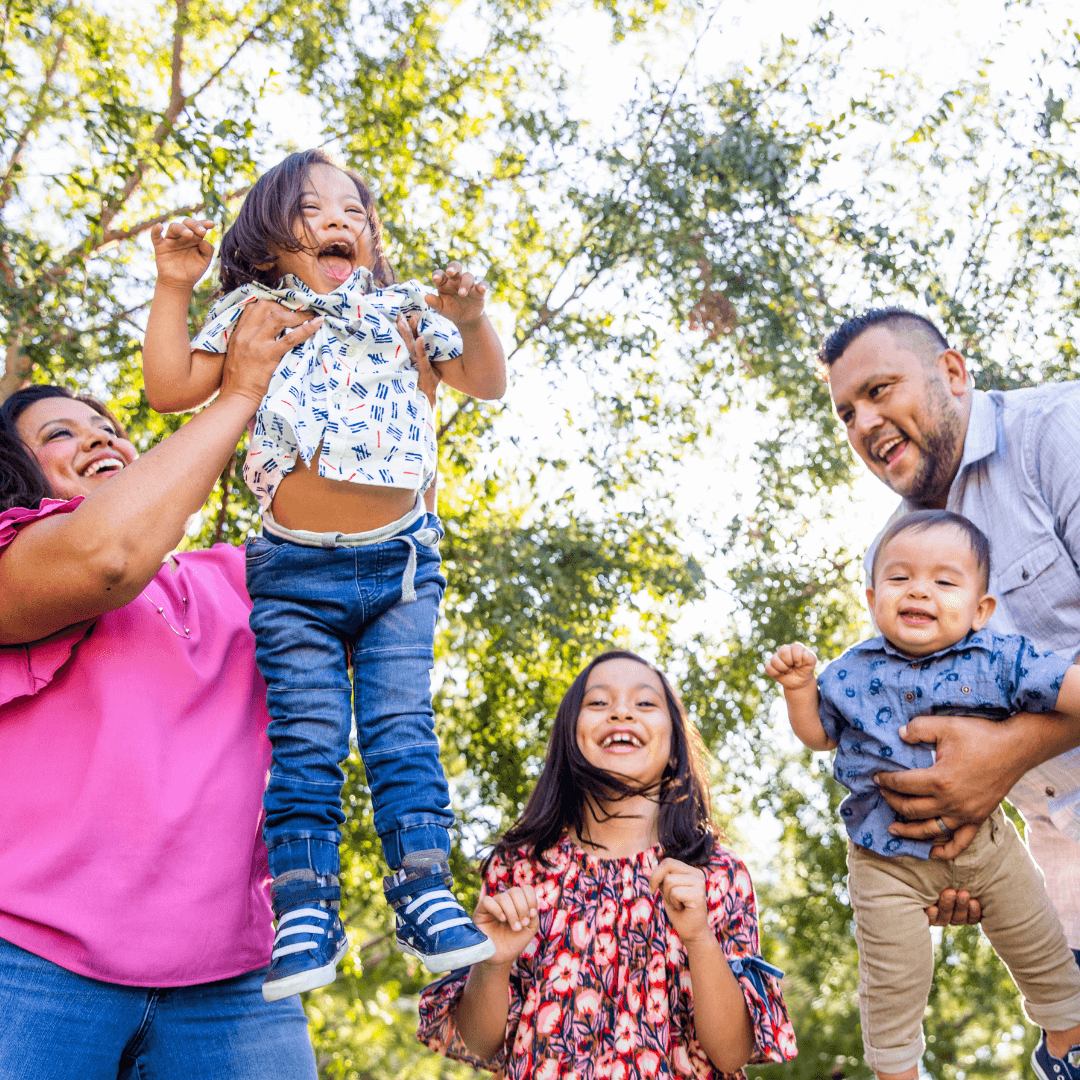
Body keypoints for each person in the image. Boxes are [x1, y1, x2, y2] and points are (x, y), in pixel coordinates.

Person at [142, 147, 507, 1001]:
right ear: (271, 237)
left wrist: (472, 315)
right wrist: (172, 287)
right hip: (291, 572)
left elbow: (484, 385)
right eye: (314, 209)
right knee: (306, 744)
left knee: (399, 730)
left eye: (355, 209)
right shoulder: (252, 312)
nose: (342, 220)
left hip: (402, 563)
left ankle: (423, 888)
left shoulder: (404, 308)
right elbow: (167, 388)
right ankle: (304, 905)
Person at [0, 299, 327, 1078]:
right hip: (27, 964)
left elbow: (359, 550)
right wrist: (237, 396)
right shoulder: (14, 556)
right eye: (59, 434)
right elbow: (107, 557)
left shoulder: (235, 578)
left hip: (237, 984)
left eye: (106, 425)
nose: (98, 437)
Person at [767, 510, 1080, 1080]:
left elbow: (1070, 690)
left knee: (1040, 944)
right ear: (871, 597)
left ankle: (1067, 1037)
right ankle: (896, 1072)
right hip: (883, 863)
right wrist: (798, 690)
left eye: (944, 581)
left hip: (987, 849)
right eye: (900, 577)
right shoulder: (850, 671)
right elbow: (817, 734)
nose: (919, 590)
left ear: (981, 610)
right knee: (892, 979)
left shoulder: (1002, 659)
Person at [820, 307, 1080, 946]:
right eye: (847, 413)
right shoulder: (888, 558)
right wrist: (934, 865)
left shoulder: (1059, 432)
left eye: (879, 391)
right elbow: (927, 742)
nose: (865, 423)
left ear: (953, 373)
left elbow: (990, 756)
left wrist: (1007, 754)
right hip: (1062, 885)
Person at [417, 649, 797, 1080]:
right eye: (598, 703)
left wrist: (700, 938)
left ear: (674, 746)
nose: (621, 712)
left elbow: (731, 1055)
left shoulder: (718, 874)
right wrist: (493, 963)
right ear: (570, 737)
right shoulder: (519, 867)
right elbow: (481, 1043)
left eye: (645, 703)